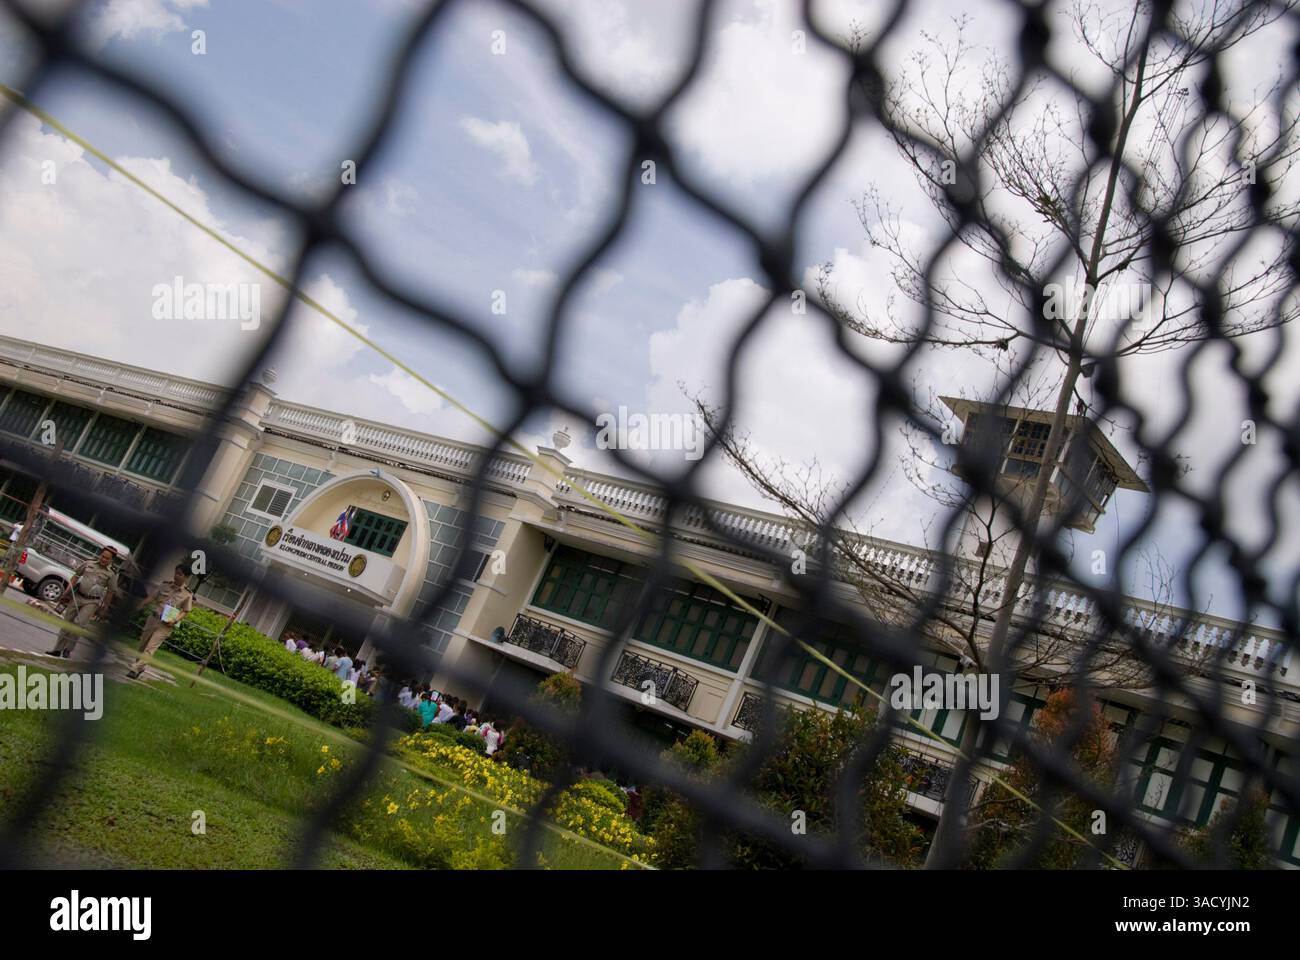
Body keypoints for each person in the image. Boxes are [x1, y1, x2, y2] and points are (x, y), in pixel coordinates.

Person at [125, 563, 194, 679]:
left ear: (186, 577)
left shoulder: (187, 594)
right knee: (142, 645)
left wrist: (175, 619)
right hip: (153, 618)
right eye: (176, 573)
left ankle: (135, 669)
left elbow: (186, 610)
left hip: (166, 624)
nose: (176, 576)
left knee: (150, 648)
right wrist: (140, 605)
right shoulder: (165, 585)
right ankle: (139, 667)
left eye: (180, 574)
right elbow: (152, 597)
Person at [49, 546, 119, 658]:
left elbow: (111, 592)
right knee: (67, 623)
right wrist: (66, 592)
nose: (104, 559)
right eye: (103, 556)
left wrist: (104, 607)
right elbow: (75, 577)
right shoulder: (88, 564)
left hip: (92, 601)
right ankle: (57, 649)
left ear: (111, 560)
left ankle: (68, 649)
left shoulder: (112, 574)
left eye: (107, 558)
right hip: (77, 596)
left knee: (78, 623)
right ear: (100, 555)